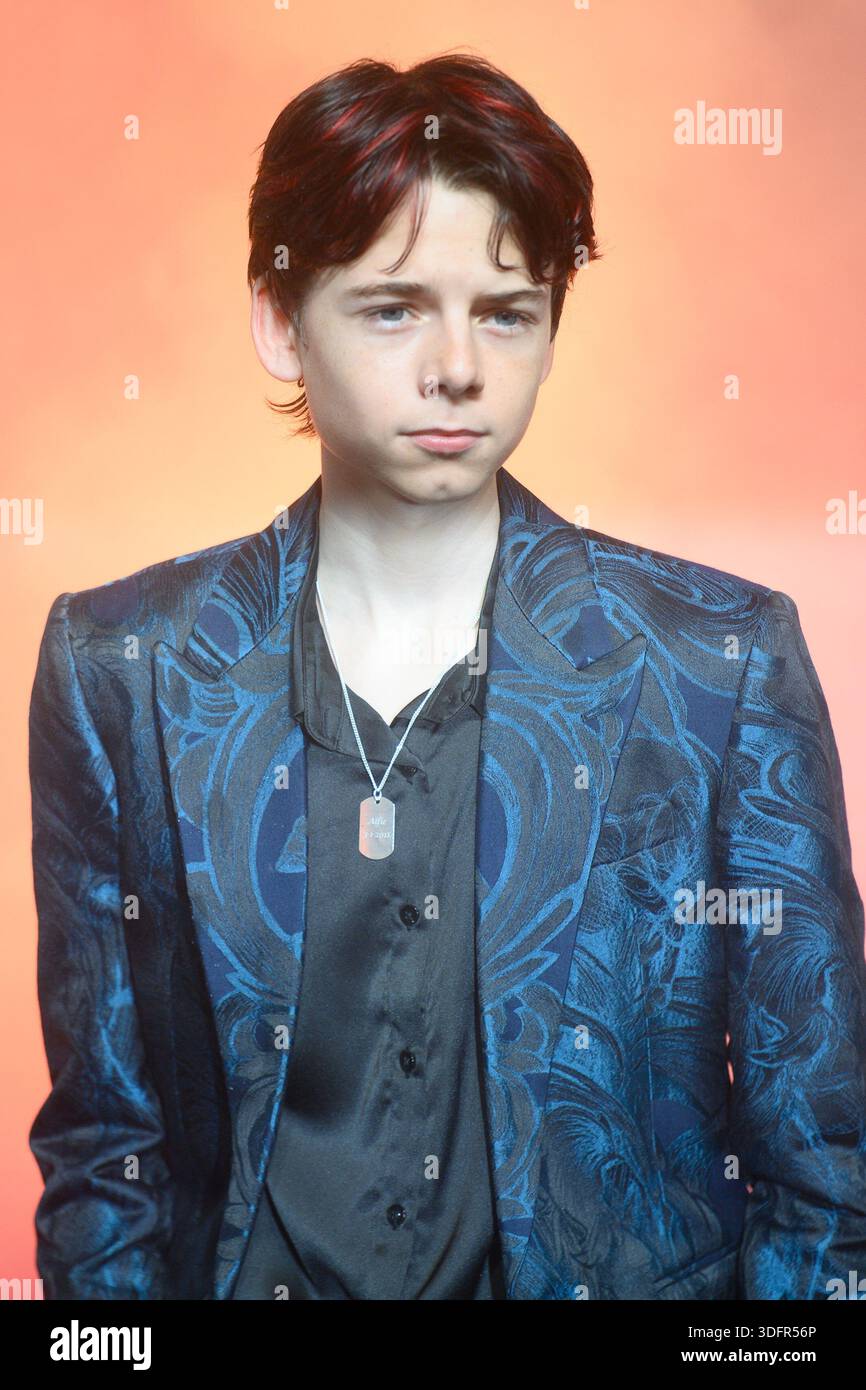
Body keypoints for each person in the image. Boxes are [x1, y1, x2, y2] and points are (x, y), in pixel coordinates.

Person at [28, 53, 866, 1302]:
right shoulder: (119, 667)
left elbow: (822, 1163)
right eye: (391, 306)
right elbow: (109, 1147)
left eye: (503, 310)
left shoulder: (719, 660)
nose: (455, 366)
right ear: (278, 317)